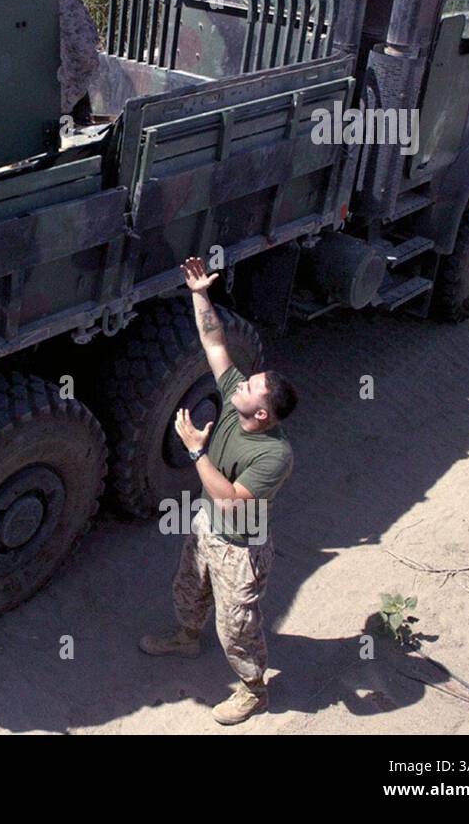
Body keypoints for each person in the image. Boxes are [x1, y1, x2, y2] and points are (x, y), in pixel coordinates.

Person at [139, 256, 299, 725]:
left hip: (241, 547)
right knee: (189, 587)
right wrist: (199, 293)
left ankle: (253, 690)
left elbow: (232, 498)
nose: (242, 381)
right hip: (210, 525)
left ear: (263, 414)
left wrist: (195, 452)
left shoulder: (275, 456)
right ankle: (187, 638)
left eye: (252, 385)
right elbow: (214, 342)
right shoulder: (235, 401)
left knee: (237, 625)